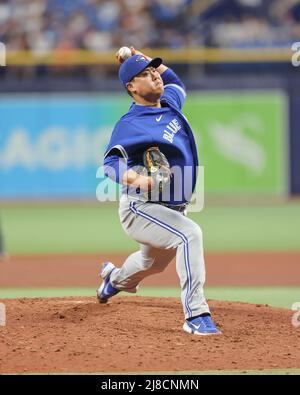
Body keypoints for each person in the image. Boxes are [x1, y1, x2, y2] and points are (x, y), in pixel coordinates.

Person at [97, 47, 221, 335]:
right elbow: (110, 164)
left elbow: (176, 82)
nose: (155, 75)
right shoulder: (130, 124)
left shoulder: (169, 102)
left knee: (149, 264)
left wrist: (140, 55)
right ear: (131, 87)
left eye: (155, 71)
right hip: (141, 207)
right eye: (145, 74)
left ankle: (113, 280)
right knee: (190, 234)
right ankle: (196, 315)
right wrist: (138, 180)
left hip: (171, 208)